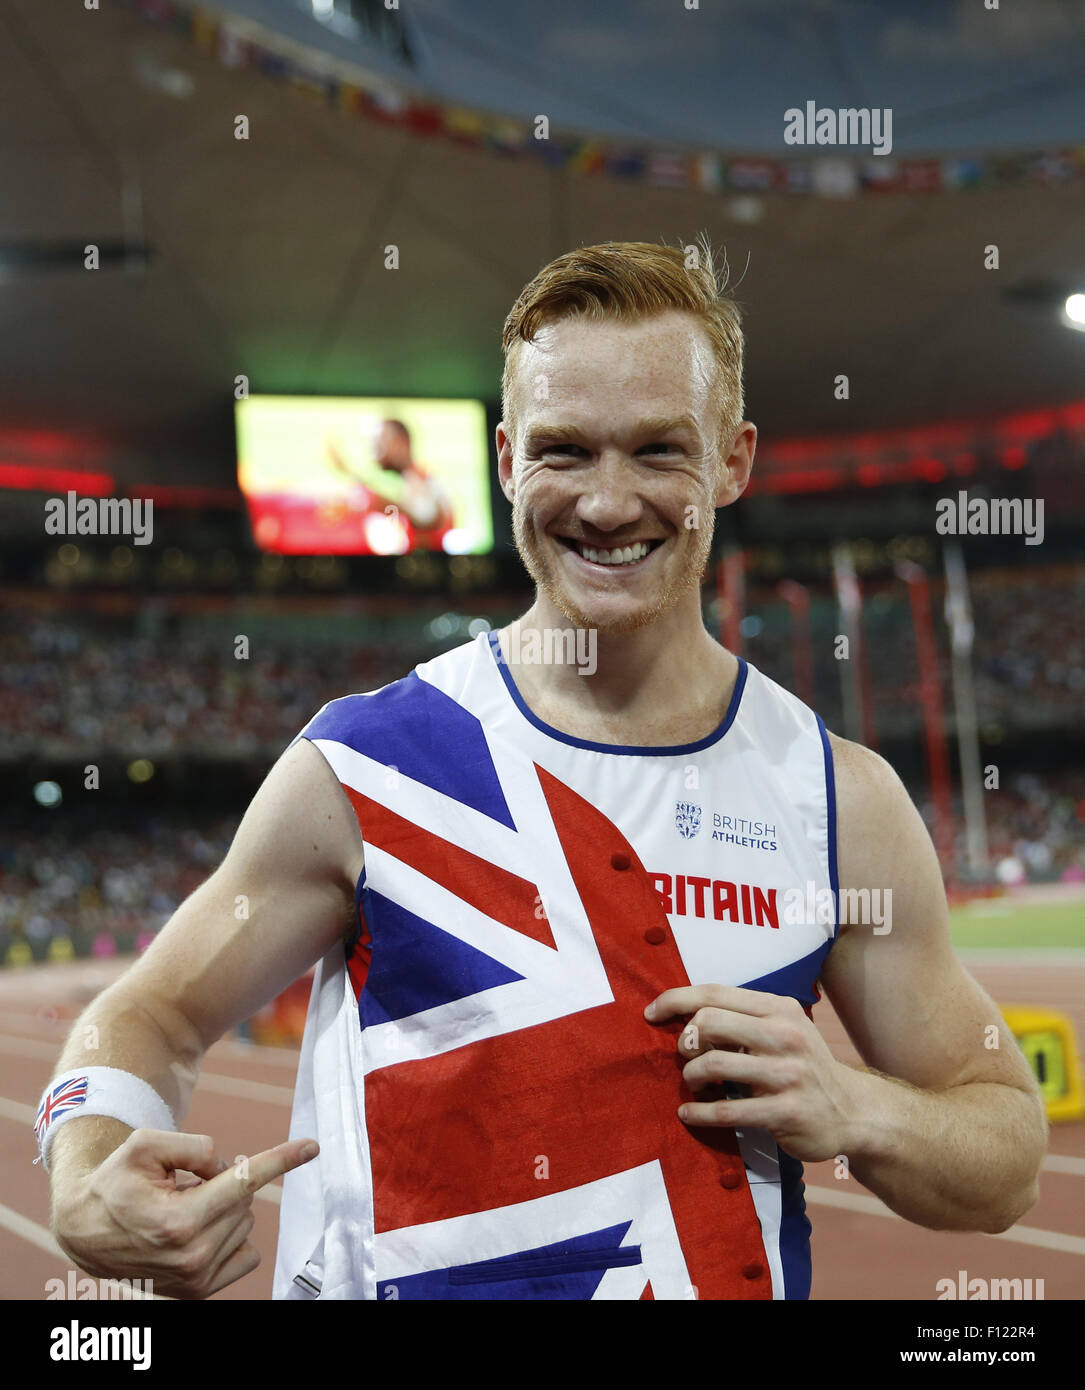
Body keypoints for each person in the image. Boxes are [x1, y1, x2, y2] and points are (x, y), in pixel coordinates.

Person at [41, 240, 1046, 1301]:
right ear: (507, 460)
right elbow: (146, 1016)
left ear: (733, 461)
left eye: (659, 451)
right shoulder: (365, 768)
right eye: (565, 451)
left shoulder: (836, 800)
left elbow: (1005, 1156)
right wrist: (82, 1176)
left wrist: (855, 1108)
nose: (608, 505)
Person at [327, 418, 453, 552]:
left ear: (402, 443)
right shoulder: (406, 479)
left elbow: (425, 518)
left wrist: (378, 504)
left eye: (380, 441)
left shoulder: (422, 479)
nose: (374, 449)